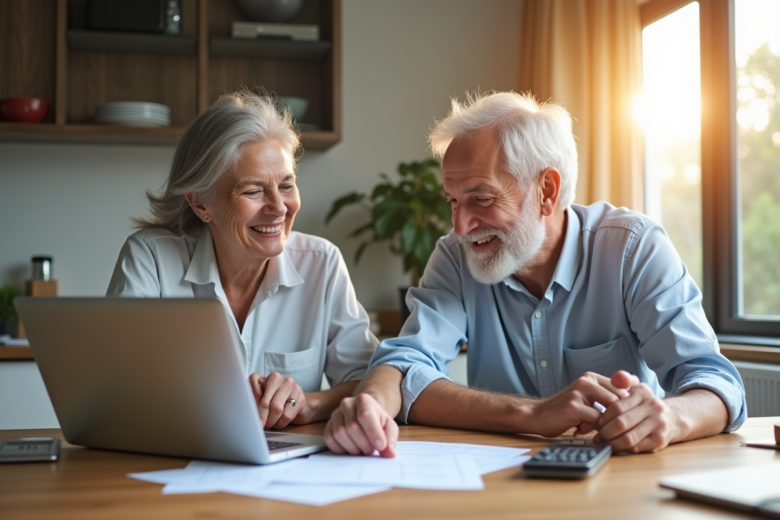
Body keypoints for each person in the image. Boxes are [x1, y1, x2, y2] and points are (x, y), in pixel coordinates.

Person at [323, 91, 746, 458]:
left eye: (481, 199)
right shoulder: (455, 256)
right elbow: (403, 362)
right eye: (452, 201)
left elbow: (715, 382)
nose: (460, 226)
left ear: (546, 191)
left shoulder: (633, 248)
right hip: (501, 483)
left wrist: (669, 417)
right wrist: (371, 406)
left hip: (621, 479)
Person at [107, 91, 377, 429]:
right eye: (253, 191)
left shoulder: (322, 263)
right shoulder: (151, 259)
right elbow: (118, 390)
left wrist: (309, 403)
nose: (279, 207)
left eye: (287, 185)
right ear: (200, 204)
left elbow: (368, 381)